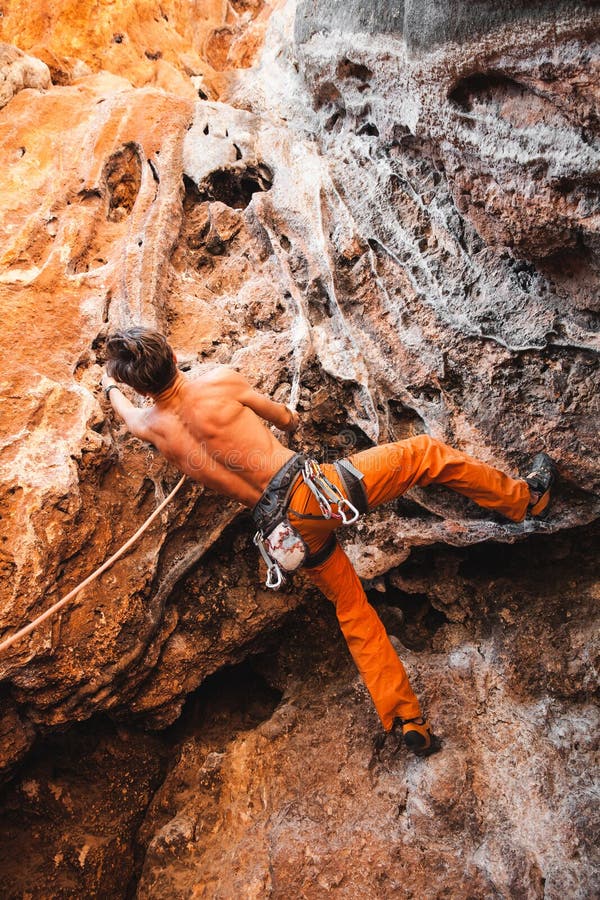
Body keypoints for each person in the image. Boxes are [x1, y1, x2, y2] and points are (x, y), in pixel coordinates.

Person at [101, 326, 557, 757]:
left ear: (141, 389)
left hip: (284, 535)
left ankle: (406, 720)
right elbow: (288, 420)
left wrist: (110, 389)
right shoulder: (217, 382)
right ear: (174, 355)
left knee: (352, 609)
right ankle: (526, 500)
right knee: (424, 453)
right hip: (317, 494)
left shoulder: (150, 425)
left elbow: (125, 409)